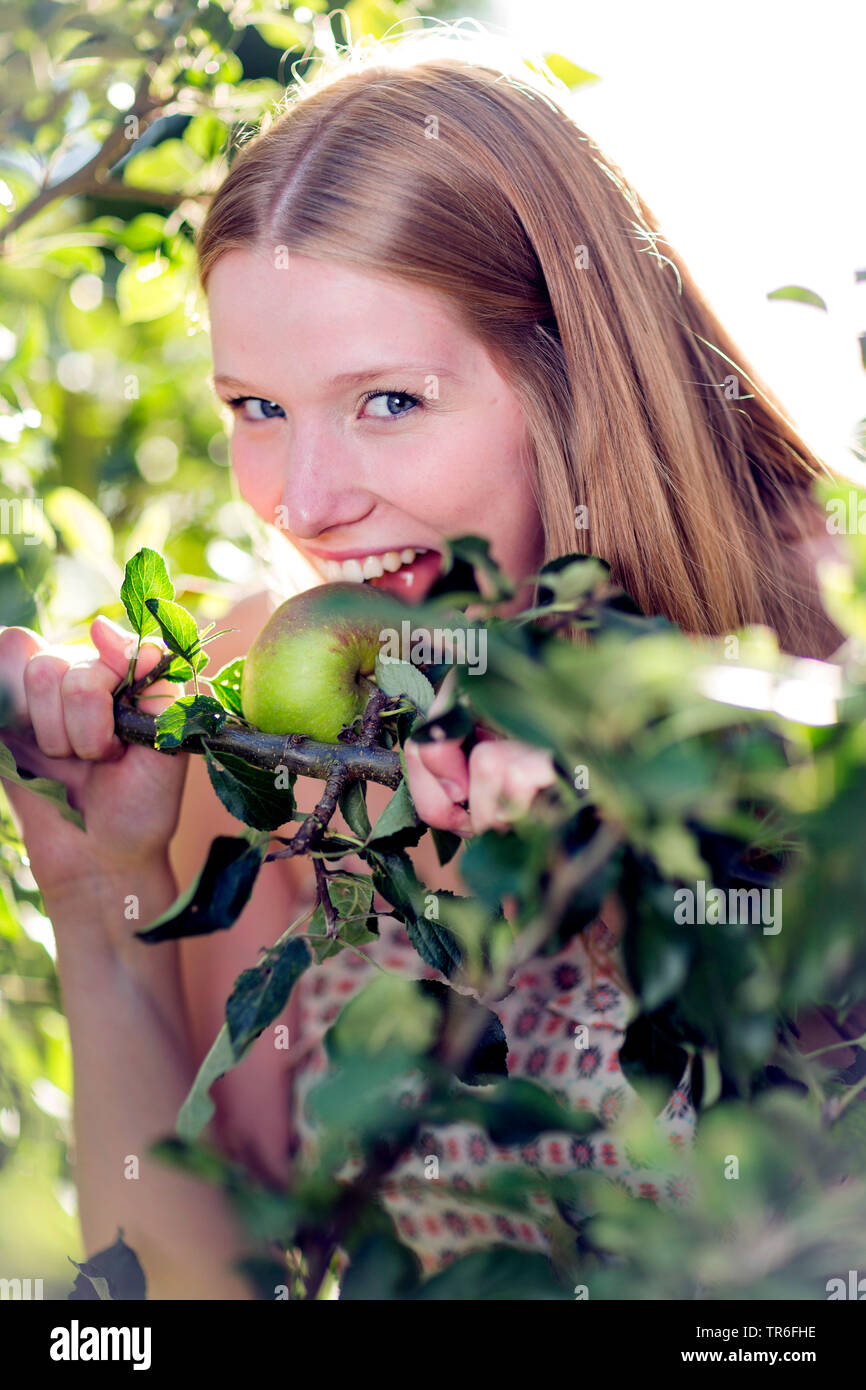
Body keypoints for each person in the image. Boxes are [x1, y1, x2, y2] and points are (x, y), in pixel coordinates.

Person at [0, 30, 851, 1297]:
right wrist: (102, 898)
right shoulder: (290, 709)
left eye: (387, 401)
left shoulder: (820, 666)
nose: (303, 501)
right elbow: (200, 1288)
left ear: (575, 373)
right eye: (256, 408)